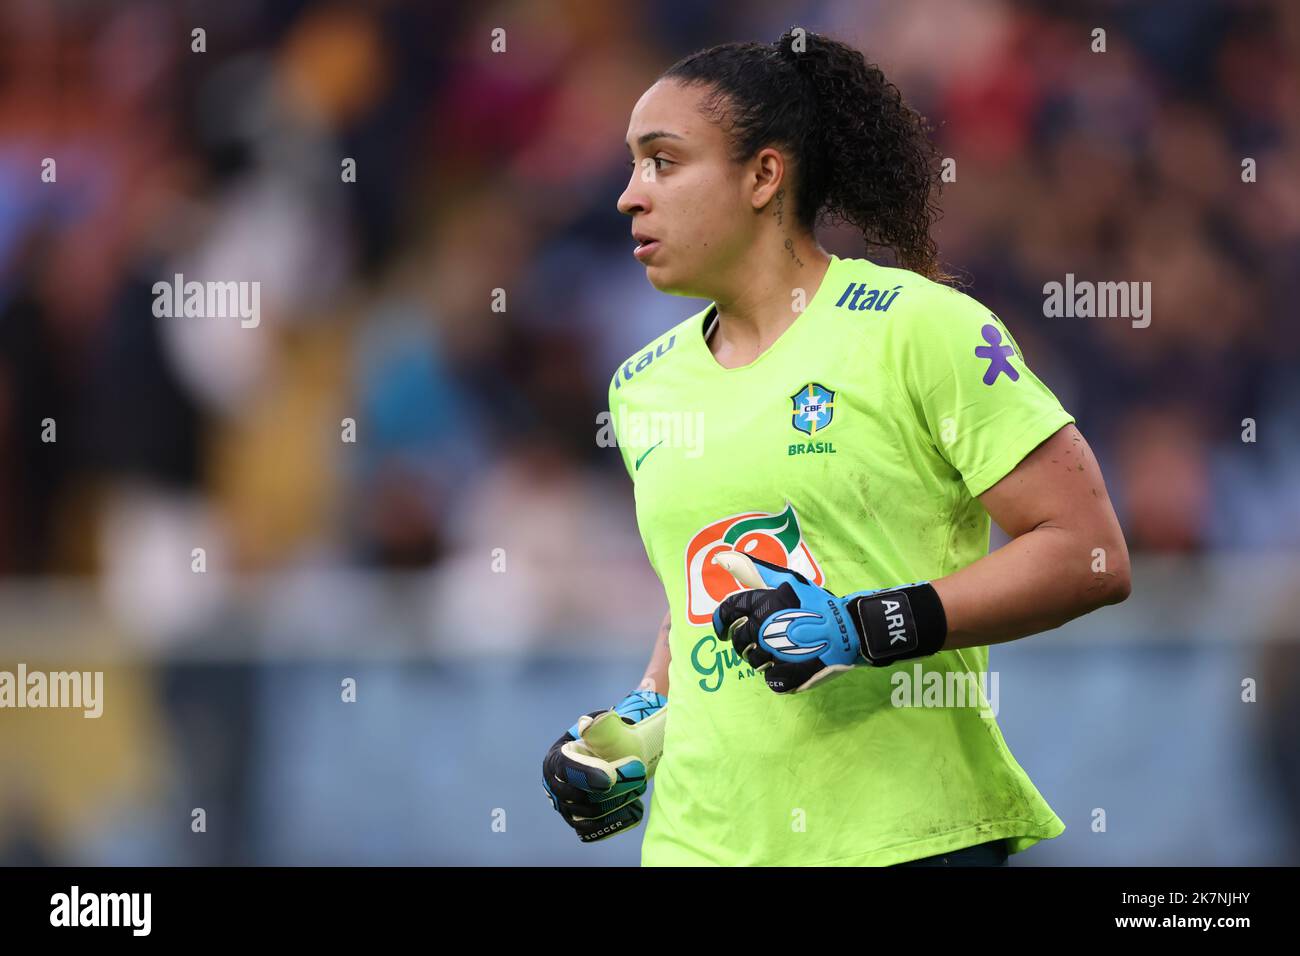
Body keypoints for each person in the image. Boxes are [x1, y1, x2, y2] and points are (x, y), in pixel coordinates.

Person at [542, 29, 1130, 866]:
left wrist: (866, 626)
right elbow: (706, 599)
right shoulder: (642, 386)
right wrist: (638, 723)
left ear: (763, 175)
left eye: (664, 162)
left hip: (903, 838)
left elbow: (1090, 555)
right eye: (633, 166)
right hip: (701, 846)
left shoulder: (919, 329)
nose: (629, 196)